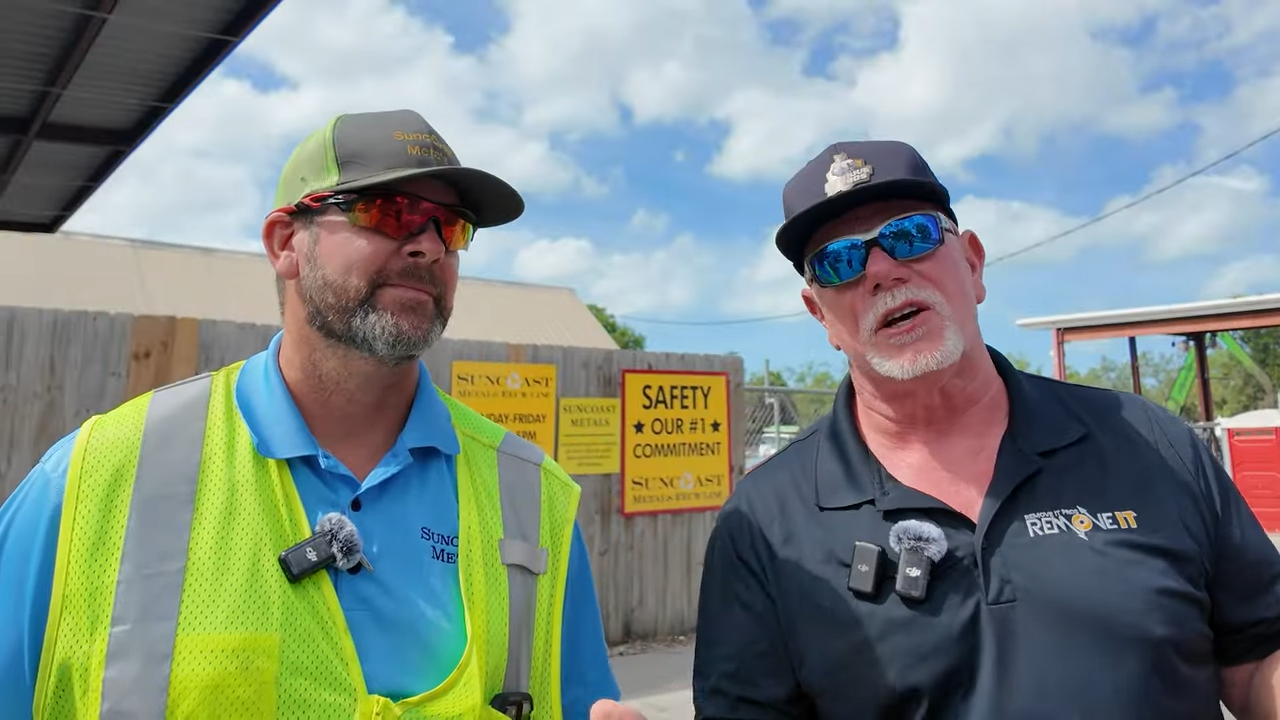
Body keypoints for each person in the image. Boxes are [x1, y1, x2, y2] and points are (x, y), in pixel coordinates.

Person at [0, 109, 622, 719]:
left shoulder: (531, 497)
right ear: (284, 244)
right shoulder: (96, 479)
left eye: (451, 227)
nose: (430, 246)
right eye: (389, 211)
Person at [690, 140, 1280, 718]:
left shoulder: (1149, 442)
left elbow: (1258, 661)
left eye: (910, 236)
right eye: (840, 262)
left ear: (972, 264)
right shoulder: (763, 522)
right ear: (822, 316)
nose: (882, 271)